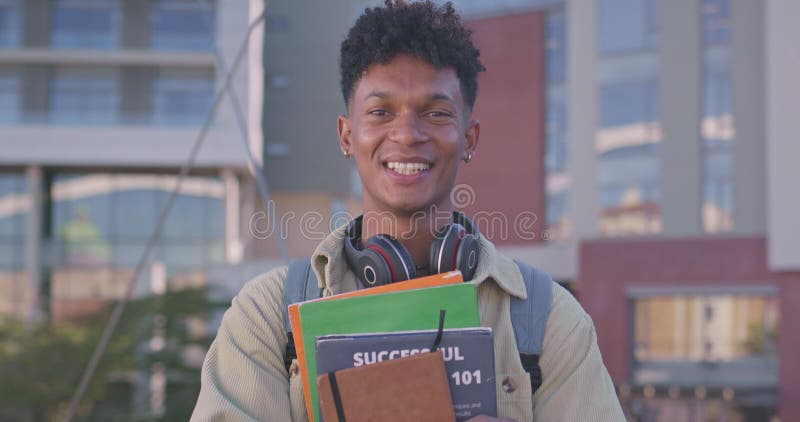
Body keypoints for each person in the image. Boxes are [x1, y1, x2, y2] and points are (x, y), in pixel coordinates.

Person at [191, 1, 624, 421]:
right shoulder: (266, 317)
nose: (407, 134)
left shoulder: (549, 321)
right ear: (347, 135)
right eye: (381, 112)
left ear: (469, 139)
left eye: (436, 113)